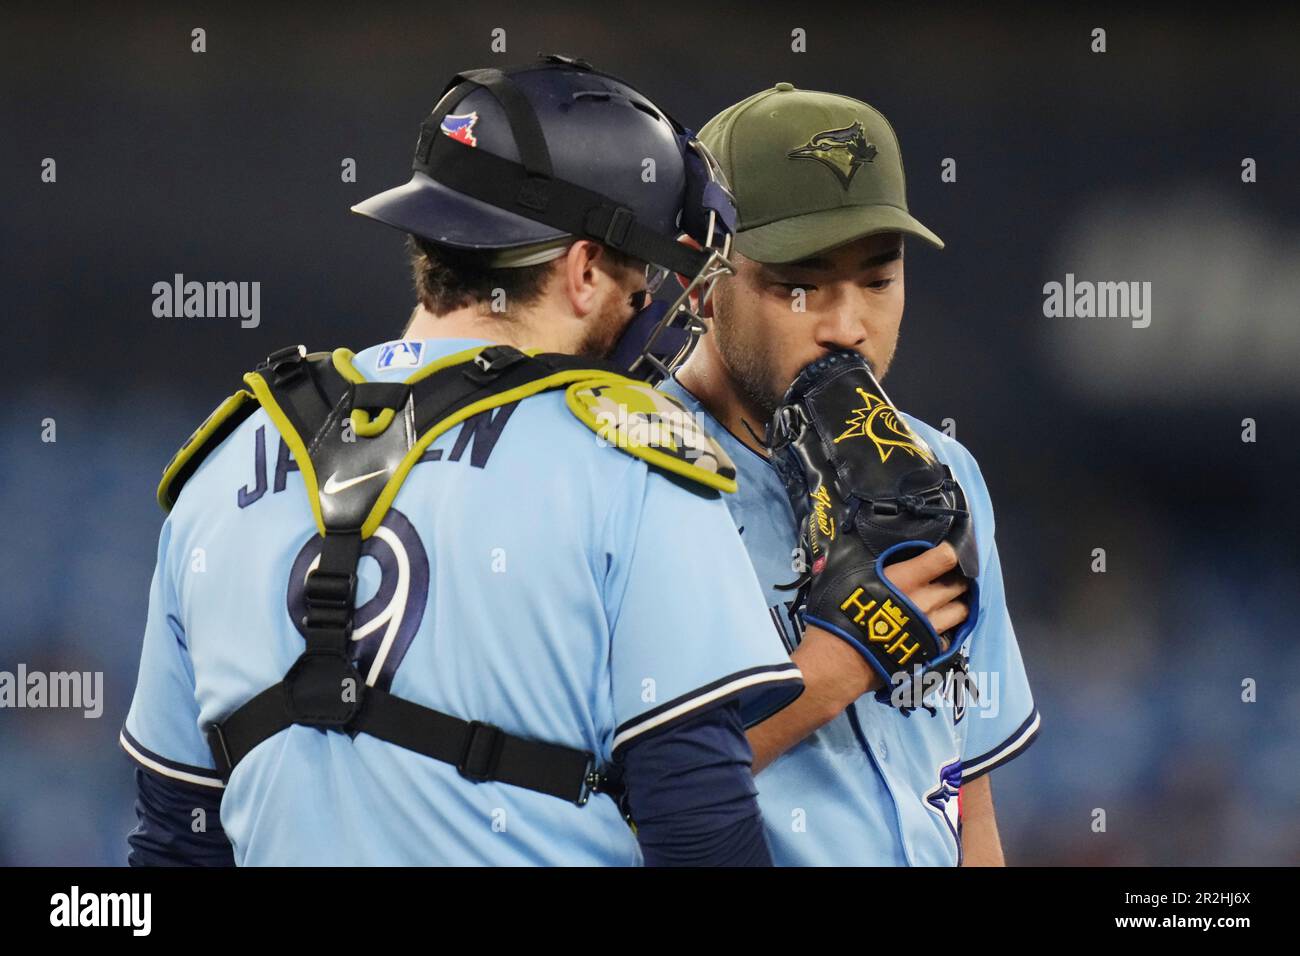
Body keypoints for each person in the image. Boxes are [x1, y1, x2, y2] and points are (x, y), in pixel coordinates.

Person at [120, 56, 803, 866]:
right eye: (640, 275)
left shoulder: (225, 459)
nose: (644, 303)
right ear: (585, 271)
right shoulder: (635, 467)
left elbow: (173, 847)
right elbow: (700, 830)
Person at [660, 83, 1039, 866]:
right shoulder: (627, 478)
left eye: (877, 280)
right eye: (798, 285)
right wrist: (829, 672)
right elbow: (597, 799)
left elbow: (965, 793)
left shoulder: (943, 471)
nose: (846, 327)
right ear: (701, 279)